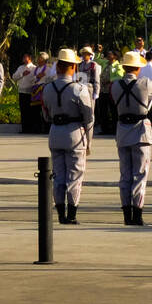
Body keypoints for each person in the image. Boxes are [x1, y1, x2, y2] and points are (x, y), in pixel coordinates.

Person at [40, 48, 93, 224]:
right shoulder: (79, 89)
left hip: (55, 133)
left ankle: (61, 214)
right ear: (72, 67)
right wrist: (89, 143)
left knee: (58, 175)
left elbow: (46, 115)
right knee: (75, 175)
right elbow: (89, 118)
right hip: (74, 134)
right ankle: (72, 214)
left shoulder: (47, 89)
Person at [112, 50, 152, 226]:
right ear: (137, 68)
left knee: (125, 175)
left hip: (122, 130)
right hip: (140, 130)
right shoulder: (144, 83)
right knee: (140, 175)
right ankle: (137, 213)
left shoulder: (115, 85)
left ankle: (126, 213)